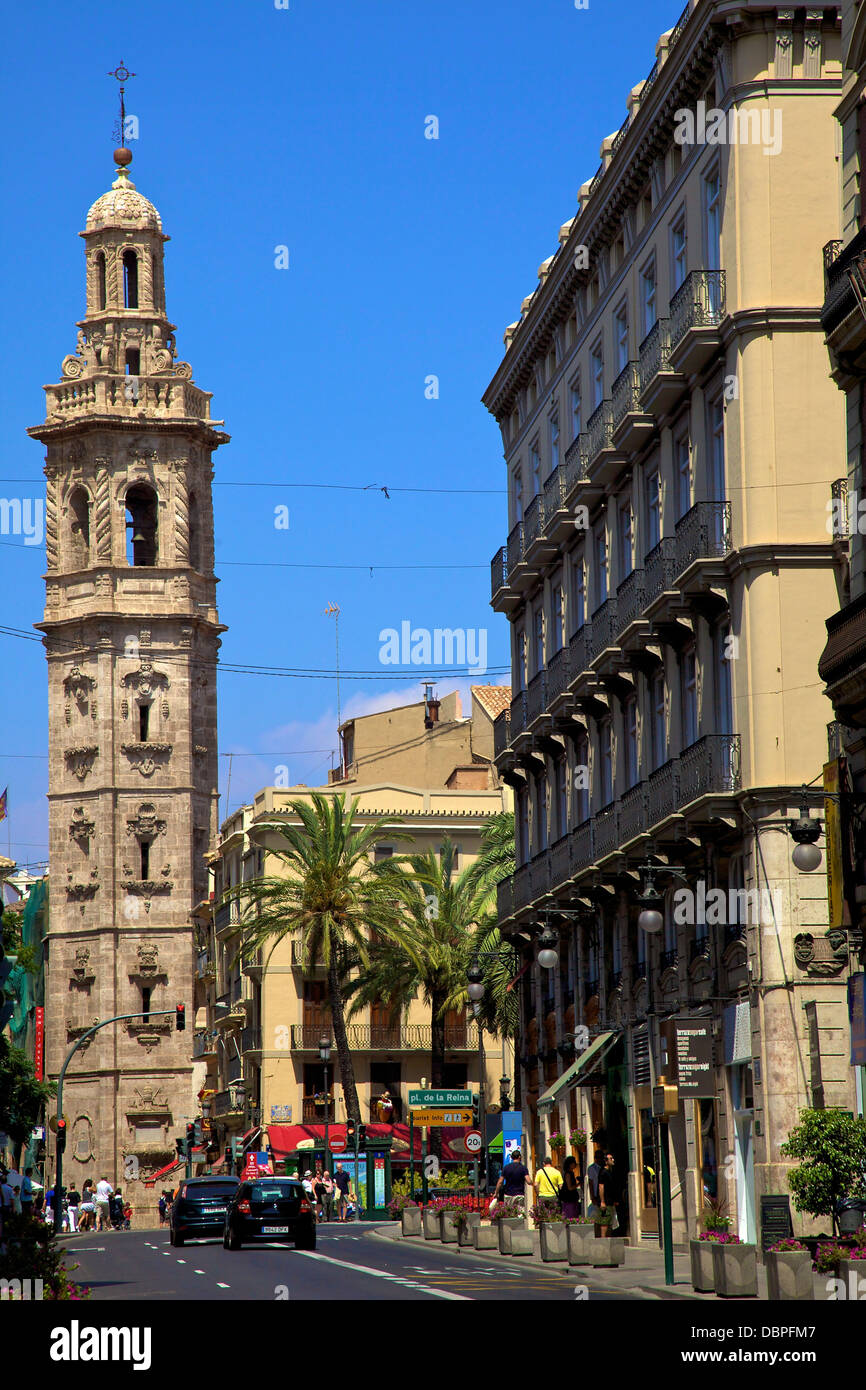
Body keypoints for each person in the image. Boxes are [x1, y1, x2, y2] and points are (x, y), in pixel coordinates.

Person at [494, 1147, 530, 1214]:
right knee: (520, 1214)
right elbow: (528, 1181)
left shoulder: (506, 1168)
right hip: (519, 1194)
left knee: (509, 1213)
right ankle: (519, 1224)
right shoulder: (523, 1168)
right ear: (519, 1157)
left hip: (508, 1194)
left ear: (512, 1157)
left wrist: (496, 1192)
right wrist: (533, 1182)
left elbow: (500, 1182)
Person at [598, 1151, 623, 1238]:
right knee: (605, 1221)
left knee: (610, 1221)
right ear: (606, 1161)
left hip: (611, 1201)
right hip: (606, 1201)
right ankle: (603, 1239)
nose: (613, 1160)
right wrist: (602, 1201)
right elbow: (601, 1186)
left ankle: (608, 1239)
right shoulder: (603, 1172)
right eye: (611, 1159)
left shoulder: (610, 1171)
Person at [586, 1148, 605, 1225]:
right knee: (596, 1214)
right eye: (598, 1157)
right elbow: (590, 1183)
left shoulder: (604, 1168)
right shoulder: (591, 1168)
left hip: (604, 1193)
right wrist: (592, 1196)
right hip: (596, 1194)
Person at [560, 1155, 581, 1221]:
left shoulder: (571, 1173)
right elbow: (570, 1187)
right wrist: (578, 1184)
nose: (575, 1165)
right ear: (570, 1164)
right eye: (574, 1163)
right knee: (570, 1217)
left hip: (572, 1199)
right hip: (569, 1199)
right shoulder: (568, 1174)